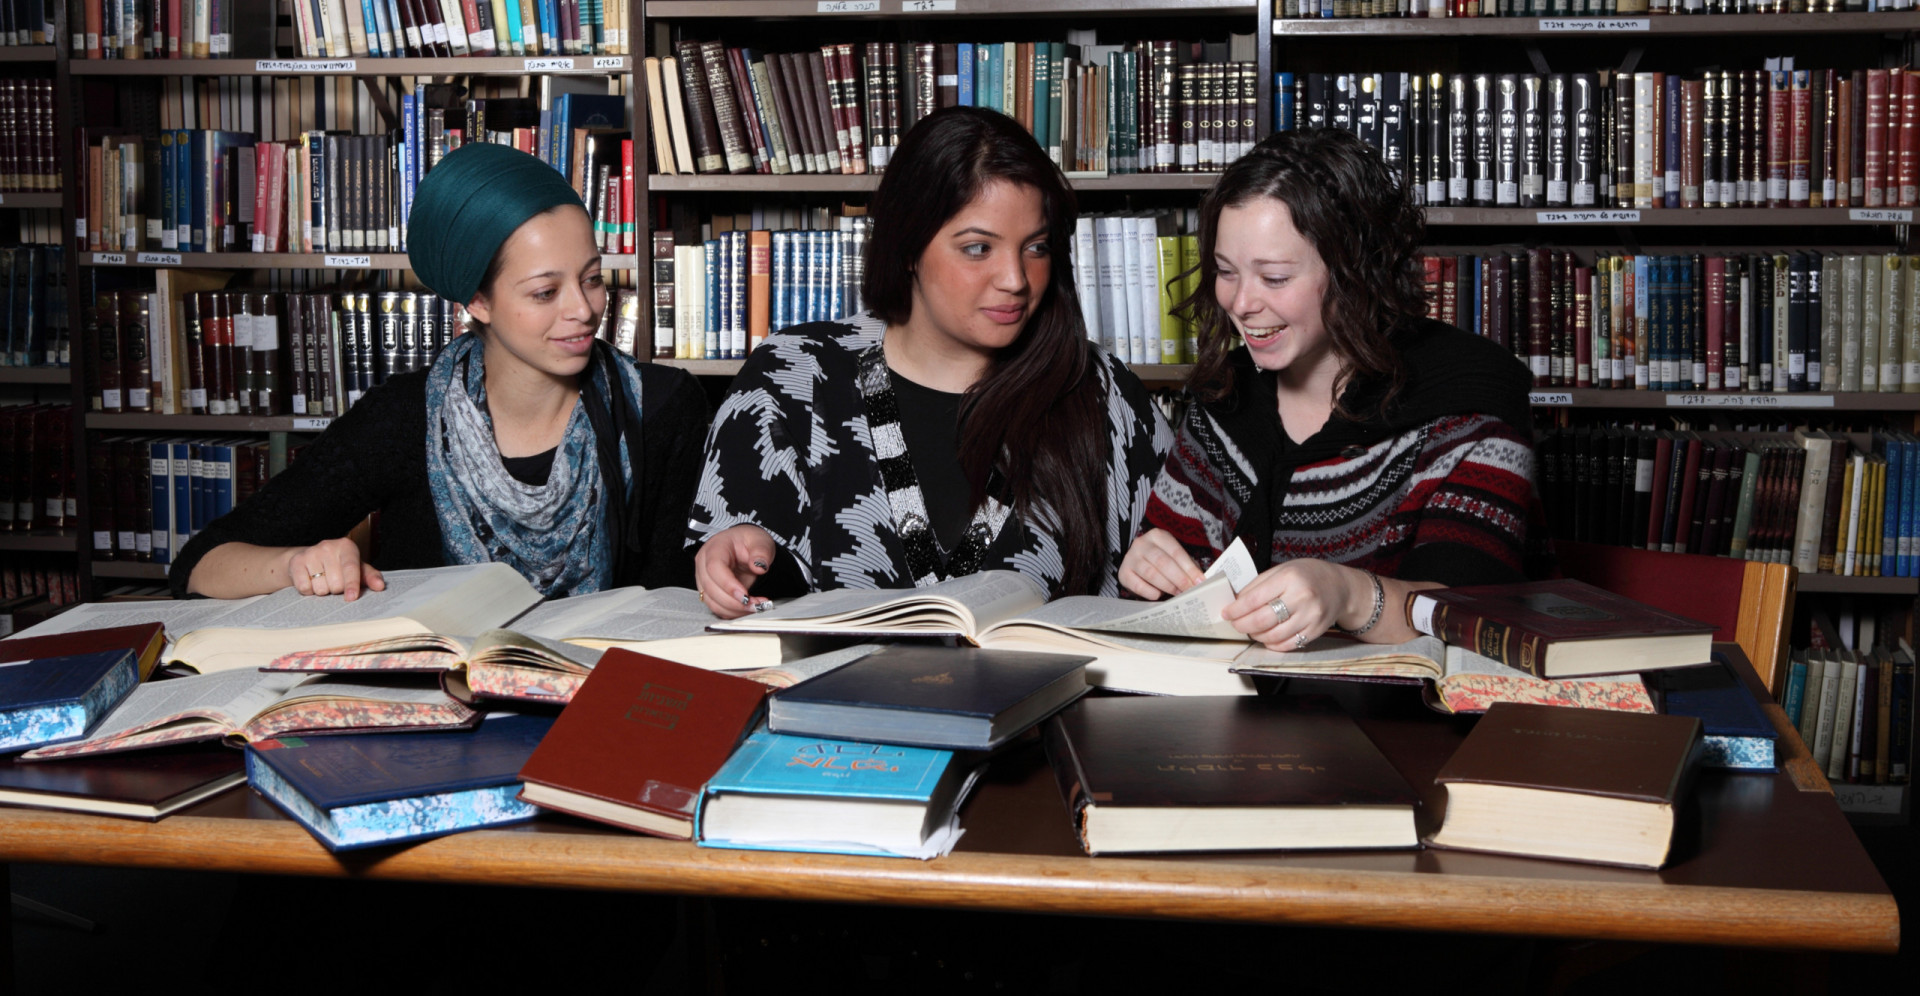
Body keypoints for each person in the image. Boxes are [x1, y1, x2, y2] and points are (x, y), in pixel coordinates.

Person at [689, 106, 1171, 618]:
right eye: (978, 248)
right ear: (908, 249)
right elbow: (744, 570)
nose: (1015, 279)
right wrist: (736, 553)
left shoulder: (1103, 393)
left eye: (1036, 247)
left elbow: (1186, 574)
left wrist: (1170, 570)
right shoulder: (790, 377)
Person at [173, 142, 709, 601]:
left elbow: (678, 599)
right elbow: (199, 564)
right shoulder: (404, 418)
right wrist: (295, 564)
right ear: (478, 301)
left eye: (591, 279)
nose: (584, 309)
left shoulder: (662, 407)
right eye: (545, 292)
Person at [1119, 128, 1543, 651]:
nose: (1241, 304)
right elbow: (1173, 606)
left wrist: (1347, 594)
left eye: (1275, 278)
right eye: (1225, 272)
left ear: (1354, 273)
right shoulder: (1223, 396)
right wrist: (1150, 575)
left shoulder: (1472, 406)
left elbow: (1476, 616)